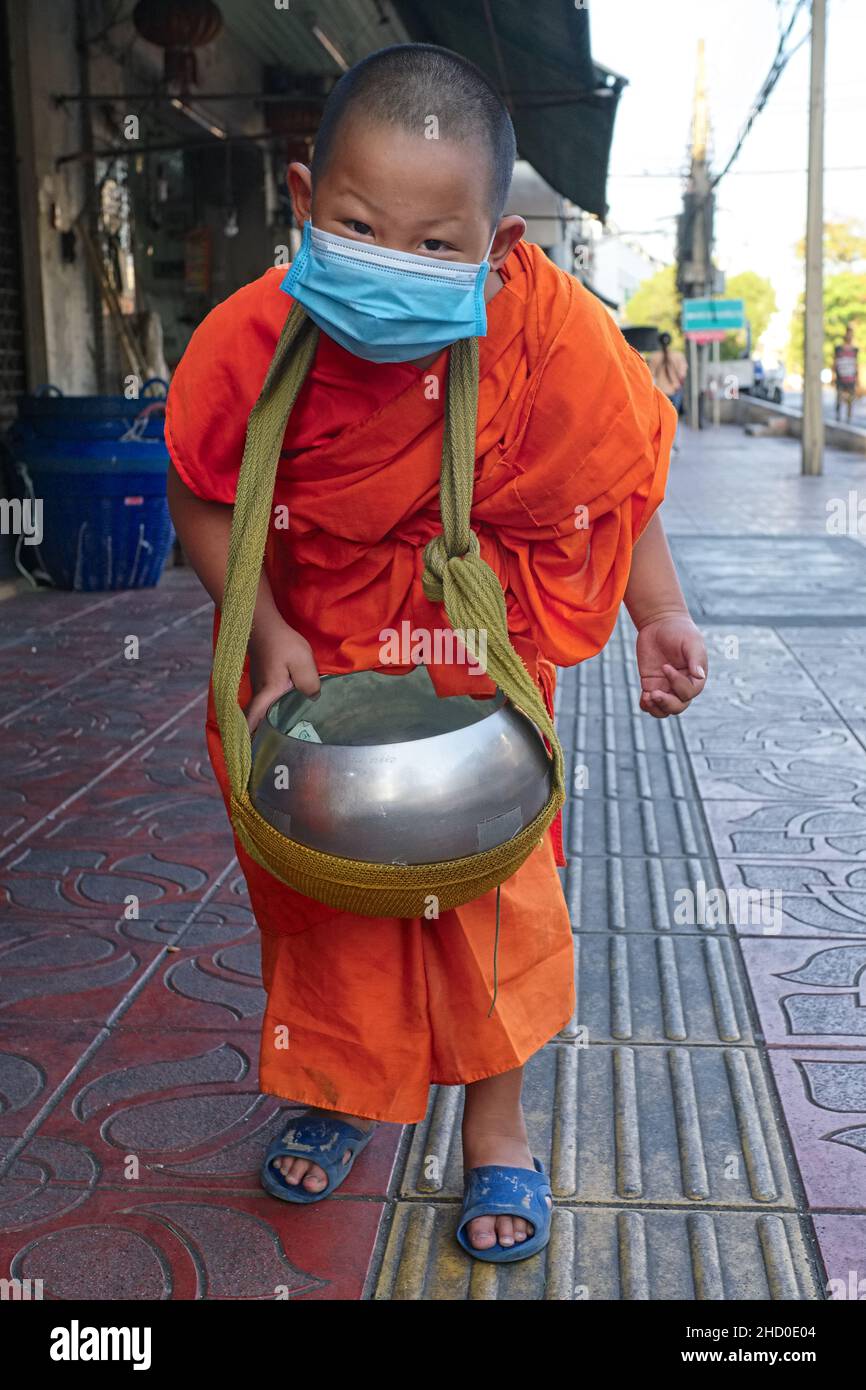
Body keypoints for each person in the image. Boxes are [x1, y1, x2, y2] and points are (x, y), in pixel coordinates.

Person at [165, 43, 707, 1265]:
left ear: (498, 245)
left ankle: (496, 1130)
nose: (396, 264)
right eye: (359, 225)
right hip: (313, 667)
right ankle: (344, 1089)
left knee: (492, 907)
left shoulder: (547, 332)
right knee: (327, 904)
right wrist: (267, 629)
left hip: (478, 661)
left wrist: (658, 613)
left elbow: (611, 482)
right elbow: (203, 491)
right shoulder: (250, 340)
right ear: (303, 201)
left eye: (435, 244)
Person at [648, 331, 688, 450]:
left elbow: (650, 375)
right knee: (674, 419)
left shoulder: (654, 357)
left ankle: (662, 444)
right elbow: (682, 374)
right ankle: (673, 443)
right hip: (675, 391)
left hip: (660, 392)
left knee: (661, 420)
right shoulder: (679, 356)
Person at [834, 323, 859, 422]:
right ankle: (838, 416)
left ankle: (848, 417)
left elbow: (856, 364)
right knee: (839, 398)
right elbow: (835, 361)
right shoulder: (839, 349)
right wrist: (833, 375)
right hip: (841, 377)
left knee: (850, 399)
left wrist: (857, 378)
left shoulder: (855, 350)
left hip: (851, 377)